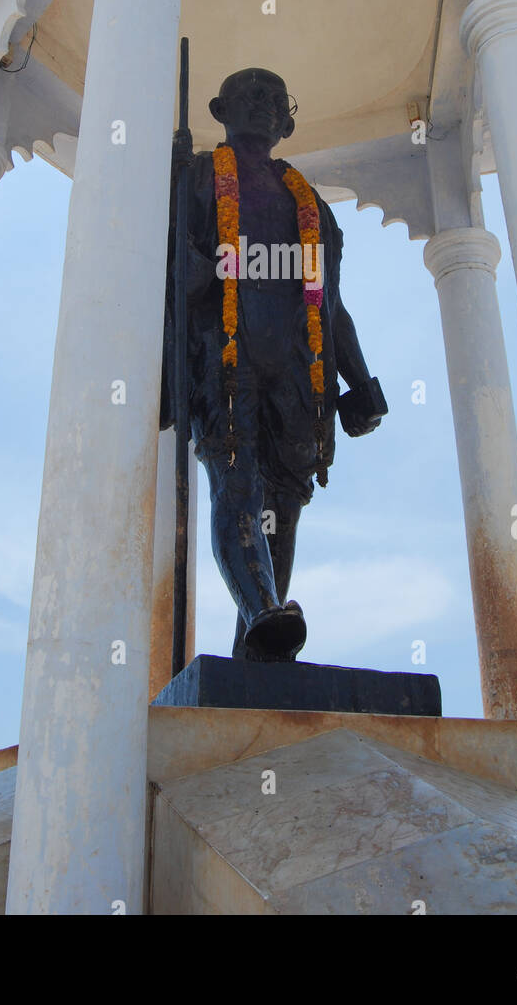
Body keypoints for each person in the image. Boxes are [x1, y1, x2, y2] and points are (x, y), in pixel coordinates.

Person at [161, 68, 383, 661]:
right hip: (222, 356)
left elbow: (329, 303)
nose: (261, 106)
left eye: (273, 99)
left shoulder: (308, 202)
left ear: (286, 120)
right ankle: (261, 605)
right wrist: (190, 267)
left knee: (282, 503)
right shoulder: (196, 175)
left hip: (296, 367)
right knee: (236, 480)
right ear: (219, 108)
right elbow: (157, 254)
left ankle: (257, 649)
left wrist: (360, 382)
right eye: (248, 96)